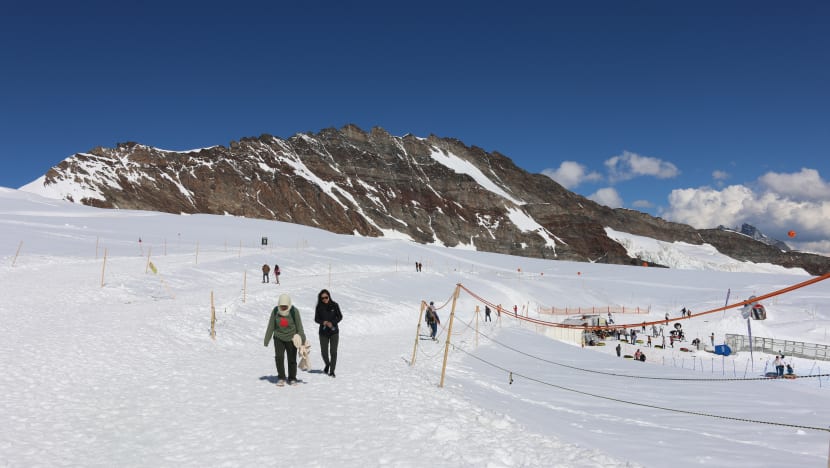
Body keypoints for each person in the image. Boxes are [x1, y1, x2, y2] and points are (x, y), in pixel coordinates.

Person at [264, 293, 306, 386]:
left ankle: (292, 378)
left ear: (288, 304)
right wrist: (266, 339)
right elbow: (271, 326)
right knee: (279, 357)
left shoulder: (294, 311)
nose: (283, 308)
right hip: (278, 337)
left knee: (292, 359)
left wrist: (303, 341)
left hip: (291, 338)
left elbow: (299, 327)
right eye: (281, 306)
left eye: (285, 306)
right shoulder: (275, 311)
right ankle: (281, 377)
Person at [314, 289, 342, 377]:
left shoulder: (335, 305)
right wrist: (323, 322)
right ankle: (327, 364)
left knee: (333, 352)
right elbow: (316, 319)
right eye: (322, 298)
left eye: (326, 297)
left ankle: (332, 371)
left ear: (329, 296)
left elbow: (340, 316)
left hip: (334, 332)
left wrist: (332, 323)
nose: (325, 299)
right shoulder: (319, 307)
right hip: (323, 332)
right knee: (324, 353)